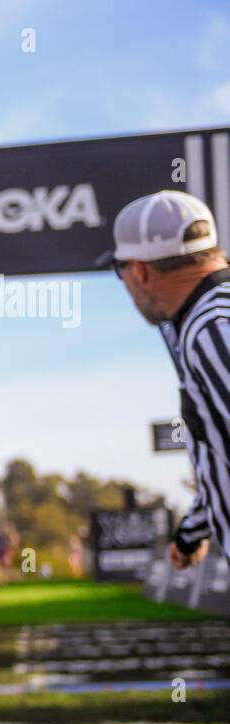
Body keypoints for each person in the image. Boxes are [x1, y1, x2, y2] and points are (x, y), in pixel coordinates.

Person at [97, 189, 230, 571]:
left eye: (119, 270)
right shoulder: (208, 319)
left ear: (139, 271)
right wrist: (192, 531)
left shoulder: (213, 328)